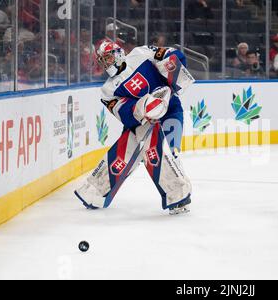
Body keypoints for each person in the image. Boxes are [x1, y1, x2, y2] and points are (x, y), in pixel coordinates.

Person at [74, 42, 195, 215]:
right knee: (132, 150)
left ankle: (179, 194)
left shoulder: (141, 53)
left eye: (108, 57)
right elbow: (123, 113)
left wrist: (173, 65)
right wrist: (143, 107)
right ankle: (94, 192)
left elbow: (169, 55)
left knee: (169, 151)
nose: (106, 63)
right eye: (102, 60)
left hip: (170, 110)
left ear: (118, 53)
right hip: (141, 123)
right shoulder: (108, 90)